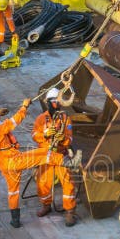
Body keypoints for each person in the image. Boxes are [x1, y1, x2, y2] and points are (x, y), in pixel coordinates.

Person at [0, 98, 82, 228]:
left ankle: (15, 220)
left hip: (4, 165)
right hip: (15, 160)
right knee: (43, 153)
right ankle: (69, 163)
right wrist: (24, 107)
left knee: (13, 192)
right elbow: (15, 121)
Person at [32, 88, 78, 227]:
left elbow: (69, 138)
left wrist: (62, 138)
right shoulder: (41, 119)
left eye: (59, 101)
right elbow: (34, 135)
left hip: (60, 154)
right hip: (45, 155)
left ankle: (70, 211)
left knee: (68, 182)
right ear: (48, 102)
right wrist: (45, 134)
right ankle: (46, 205)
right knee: (42, 182)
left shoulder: (65, 118)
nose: (58, 103)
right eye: (55, 101)